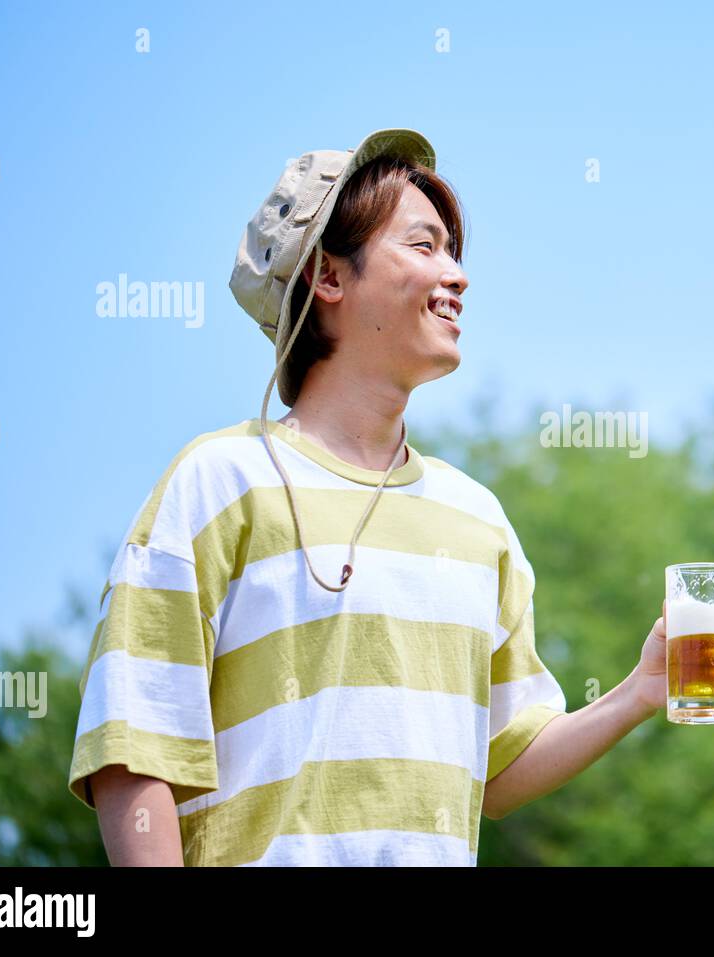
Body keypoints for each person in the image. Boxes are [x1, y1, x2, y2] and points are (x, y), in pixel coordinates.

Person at [67, 128, 669, 866]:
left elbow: (501, 764)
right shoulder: (220, 482)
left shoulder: (476, 518)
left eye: (455, 251)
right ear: (328, 276)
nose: (457, 275)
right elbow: (133, 746)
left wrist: (640, 690)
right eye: (424, 245)